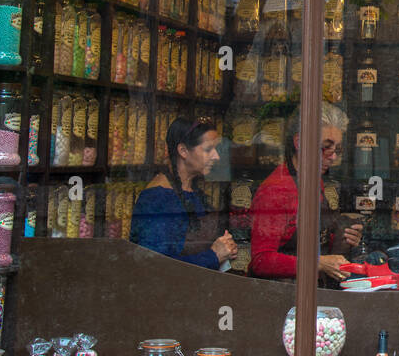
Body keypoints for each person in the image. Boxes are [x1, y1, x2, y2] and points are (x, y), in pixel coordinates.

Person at [248, 104, 363, 286]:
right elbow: (261, 260)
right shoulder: (276, 190)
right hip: (282, 296)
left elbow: (316, 239)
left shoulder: (313, 180)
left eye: (337, 150)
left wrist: (344, 238)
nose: (333, 158)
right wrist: (317, 263)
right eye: (326, 147)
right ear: (299, 142)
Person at [131, 116, 239, 269]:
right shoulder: (157, 198)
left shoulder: (192, 191)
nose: (216, 156)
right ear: (183, 151)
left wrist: (225, 250)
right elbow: (154, 265)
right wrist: (213, 256)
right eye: (208, 149)